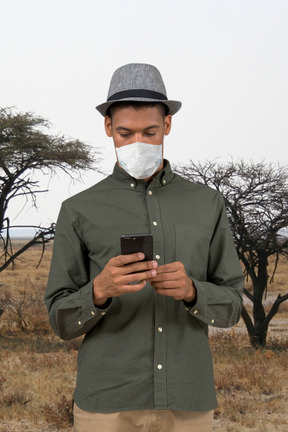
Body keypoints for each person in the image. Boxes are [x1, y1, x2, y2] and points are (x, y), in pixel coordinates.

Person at [45, 63, 244, 432]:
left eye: (150, 132)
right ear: (108, 128)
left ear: (167, 124)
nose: (138, 142)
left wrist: (191, 291)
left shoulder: (208, 204)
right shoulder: (78, 210)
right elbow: (60, 318)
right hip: (106, 402)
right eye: (125, 133)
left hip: (188, 399)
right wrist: (99, 291)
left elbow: (233, 306)